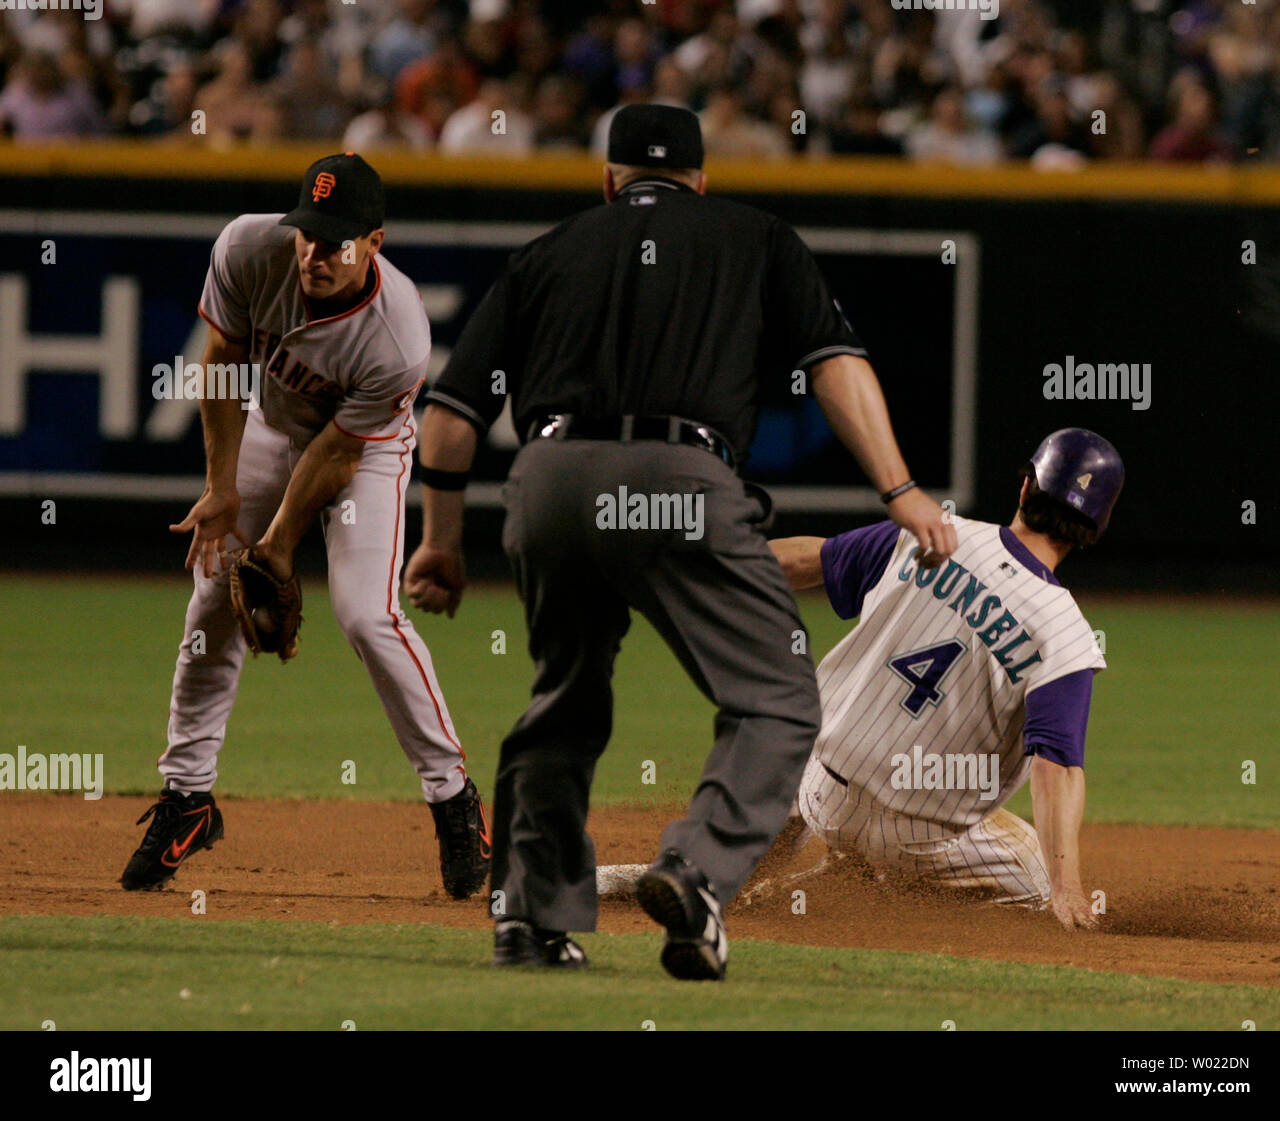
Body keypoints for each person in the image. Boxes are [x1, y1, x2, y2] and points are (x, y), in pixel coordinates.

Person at [404, 105, 955, 979]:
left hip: (550, 480)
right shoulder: (755, 234)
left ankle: (529, 920)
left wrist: (437, 540)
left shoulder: (546, 252)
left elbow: (450, 417)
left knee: (564, 696)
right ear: (702, 178)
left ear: (608, 179)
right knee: (776, 696)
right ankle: (694, 871)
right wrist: (898, 488)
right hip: (679, 481)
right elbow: (834, 365)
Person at [119, 154, 490, 901]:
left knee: (366, 614)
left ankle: (455, 800)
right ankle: (189, 797)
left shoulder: (398, 332)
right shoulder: (248, 248)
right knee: (211, 602)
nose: (315, 252)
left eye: (336, 241)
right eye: (308, 234)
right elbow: (221, 359)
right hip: (269, 428)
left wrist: (280, 546)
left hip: (367, 453)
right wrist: (221, 490)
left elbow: (337, 453)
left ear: (374, 242)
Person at [766, 429, 1123, 930]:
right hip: (916, 840)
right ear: (1094, 529)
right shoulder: (1065, 633)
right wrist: (1066, 890)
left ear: (1025, 489)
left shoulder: (934, 532)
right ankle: (867, 892)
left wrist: (721, 562)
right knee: (1040, 875)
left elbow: (809, 560)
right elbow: (1057, 767)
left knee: (813, 725)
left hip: (822, 788)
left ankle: (735, 861)